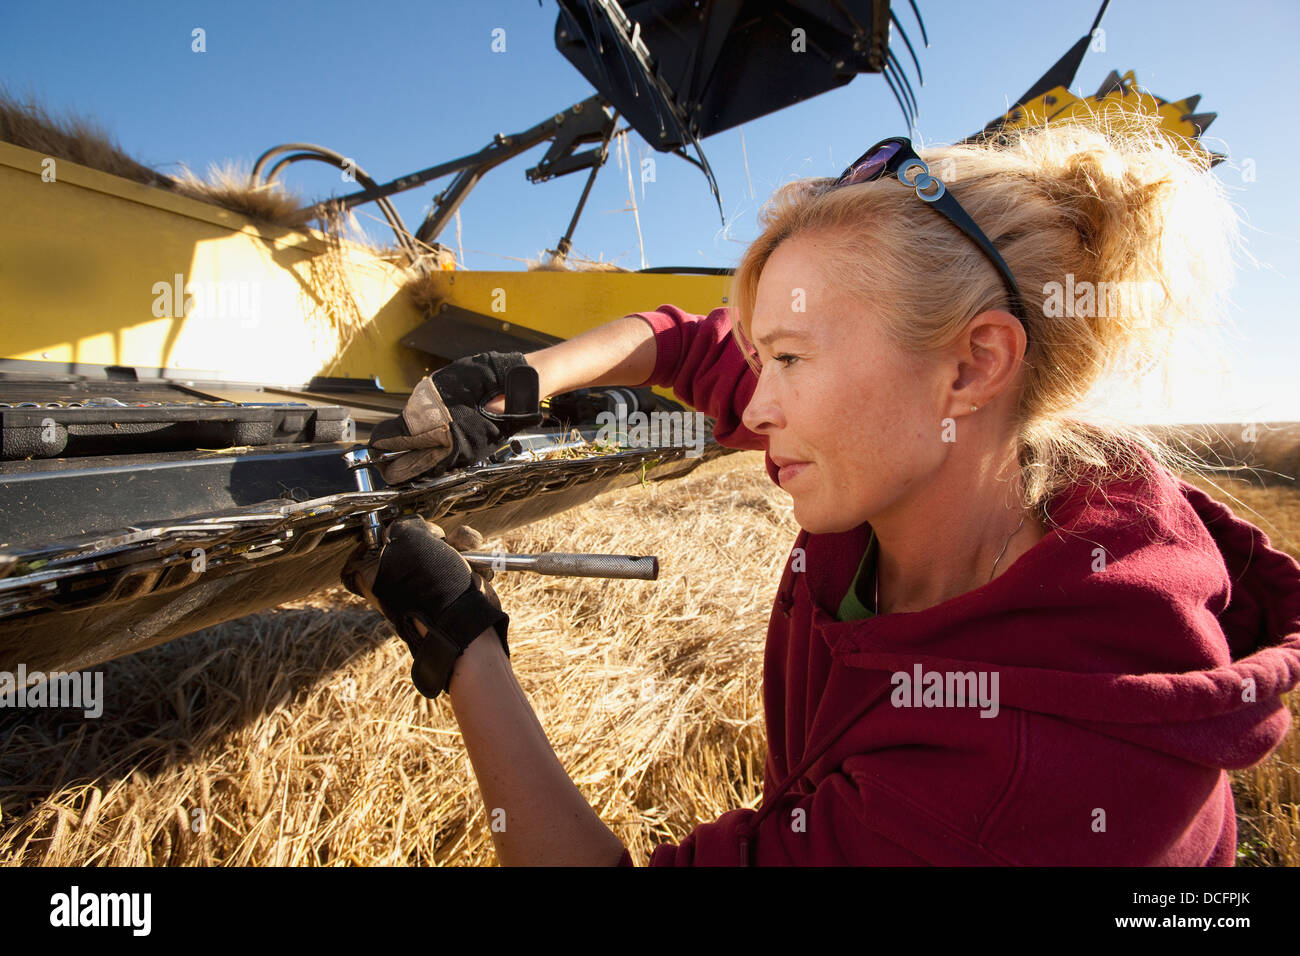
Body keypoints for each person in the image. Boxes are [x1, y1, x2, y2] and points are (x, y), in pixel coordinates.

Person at [344, 118, 1300, 866]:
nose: (754, 406)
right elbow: (682, 339)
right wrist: (523, 379)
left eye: (790, 358)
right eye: (763, 357)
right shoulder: (925, 460)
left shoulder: (1004, 786)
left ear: (972, 366)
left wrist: (461, 637)